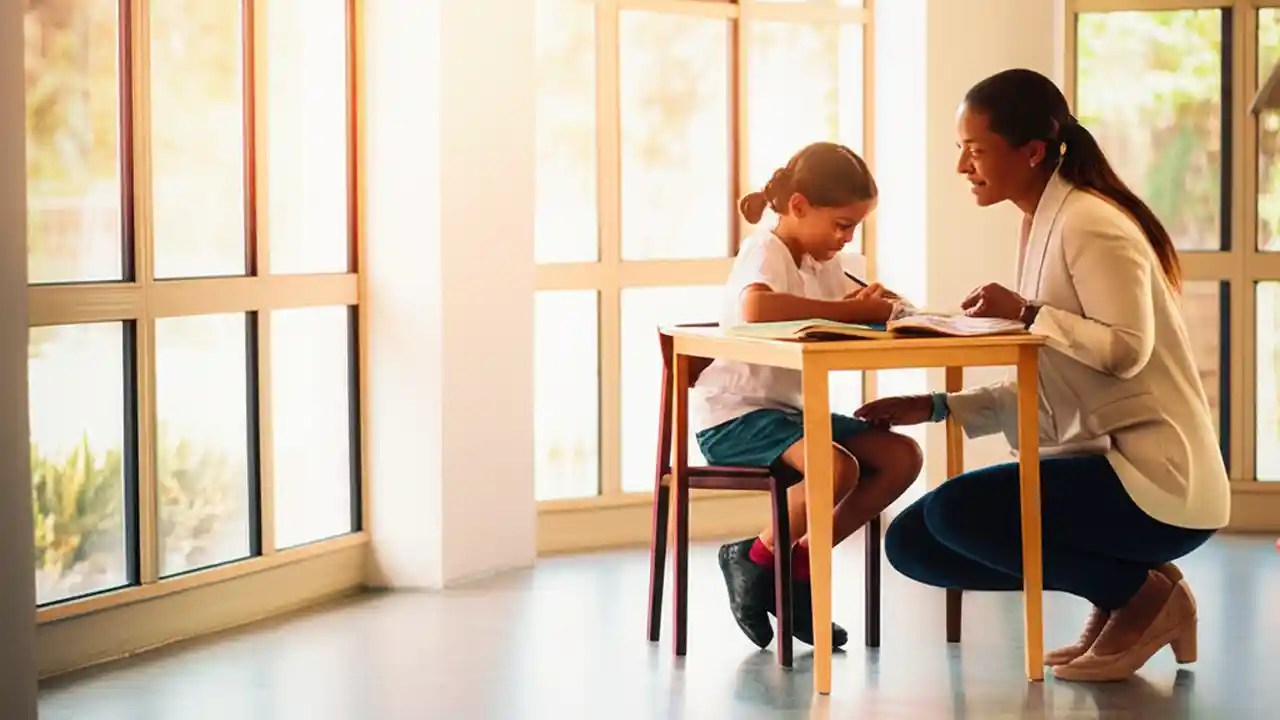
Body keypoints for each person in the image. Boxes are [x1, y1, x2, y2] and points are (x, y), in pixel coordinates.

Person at [856, 69, 1230, 682]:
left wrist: (1029, 313)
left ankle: (1140, 598)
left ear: (1031, 151)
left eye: (975, 150)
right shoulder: (1041, 223)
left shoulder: (1091, 223)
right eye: (961, 150)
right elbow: (1055, 383)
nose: (962, 167)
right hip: (1101, 461)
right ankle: (1126, 590)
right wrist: (933, 407)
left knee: (955, 517)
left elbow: (1124, 352)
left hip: (1155, 483)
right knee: (914, 543)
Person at [695, 142, 923, 652]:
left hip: (789, 414)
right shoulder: (766, 250)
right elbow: (756, 308)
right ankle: (754, 559)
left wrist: (868, 305)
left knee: (900, 455)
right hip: (736, 416)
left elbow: (833, 313)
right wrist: (852, 313)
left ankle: (793, 563)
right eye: (841, 225)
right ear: (797, 207)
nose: (846, 238)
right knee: (836, 468)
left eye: (855, 228)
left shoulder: (822, 262)